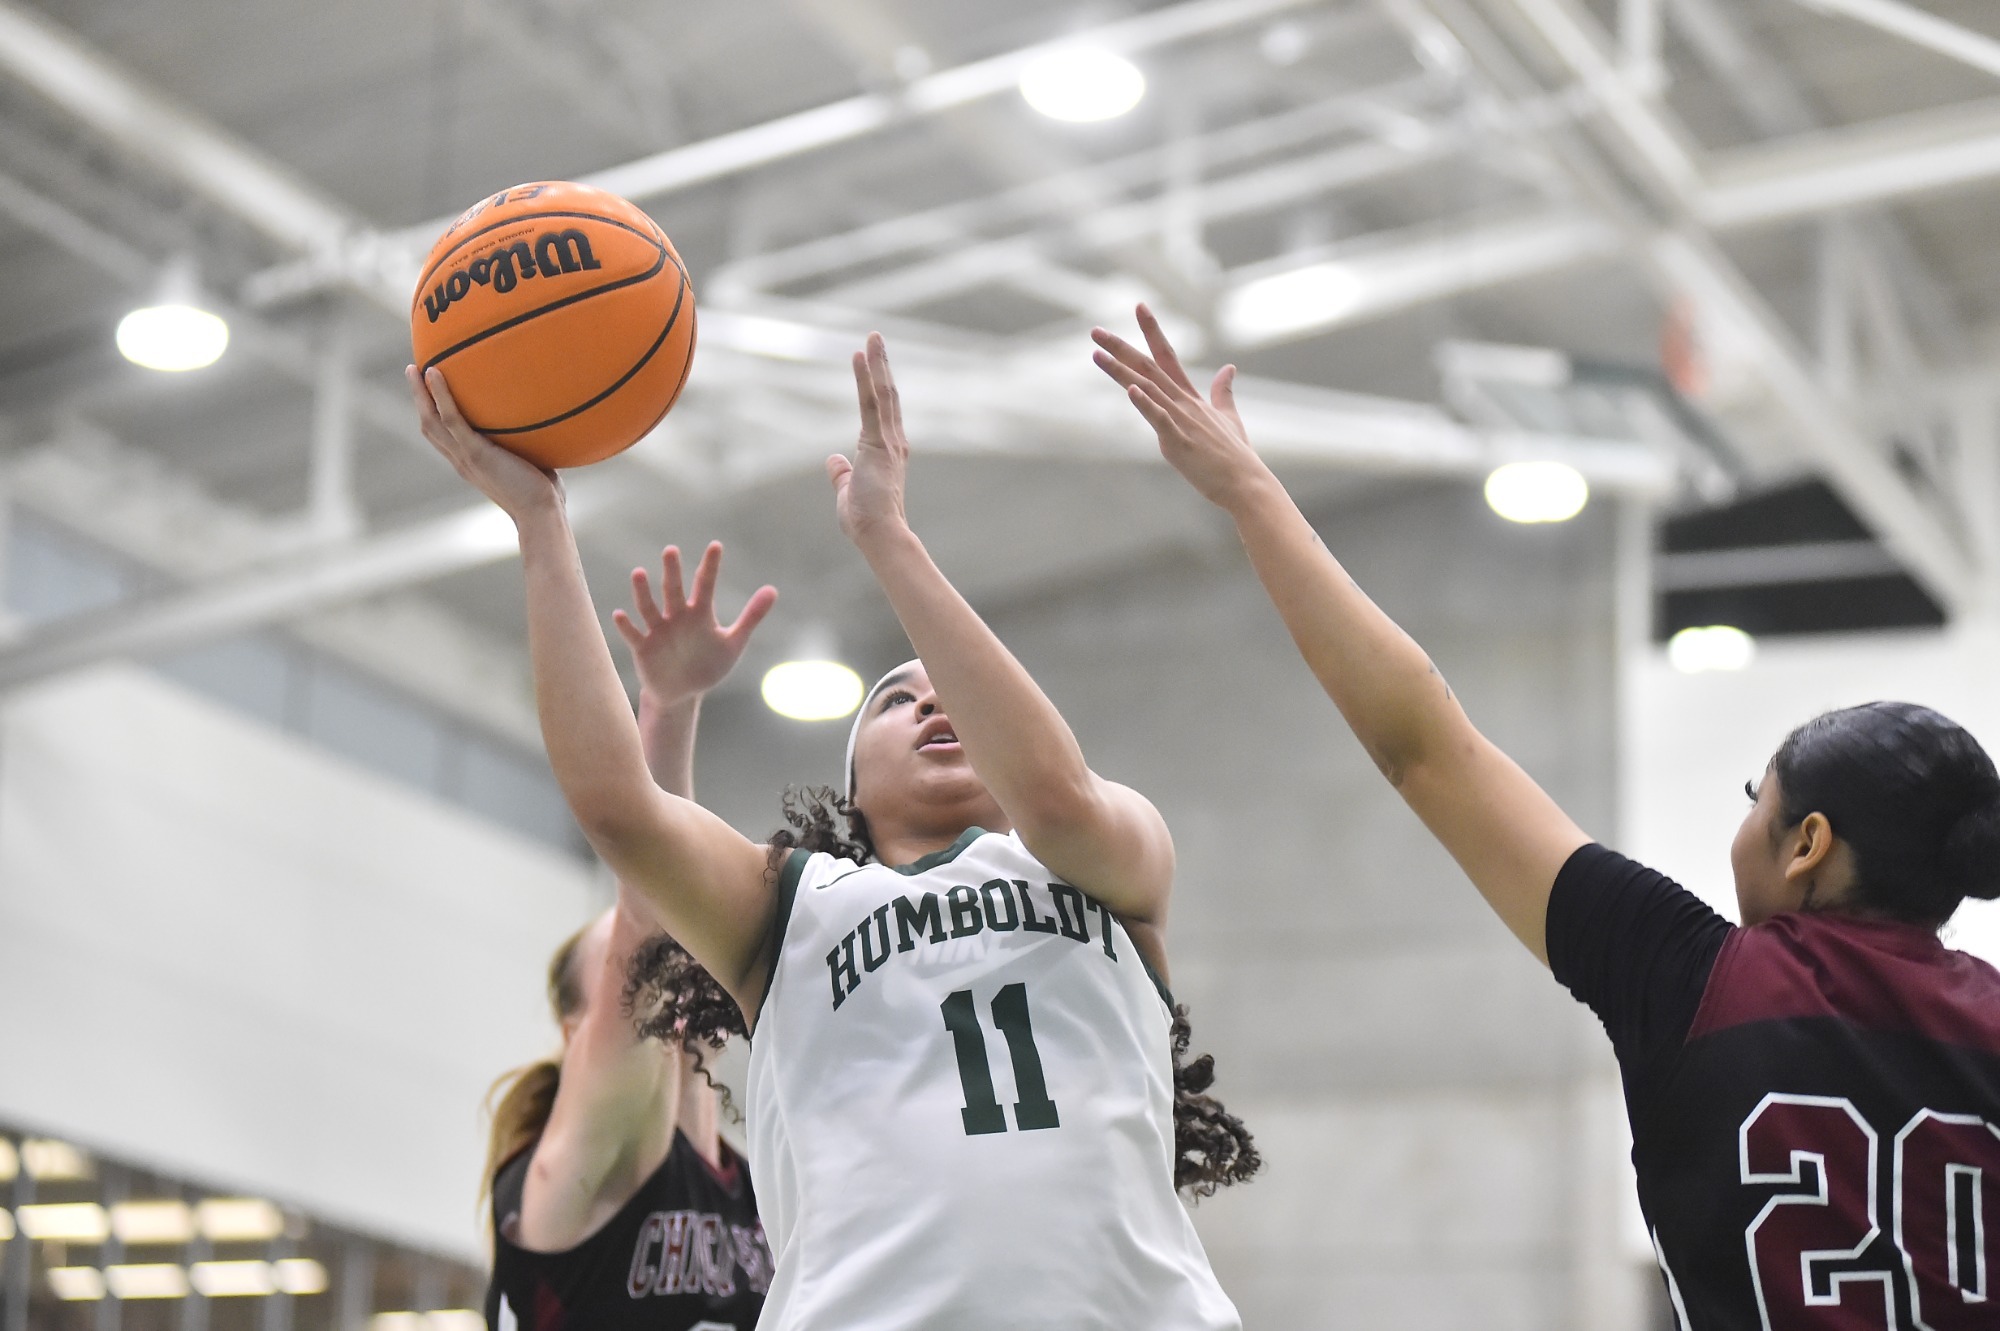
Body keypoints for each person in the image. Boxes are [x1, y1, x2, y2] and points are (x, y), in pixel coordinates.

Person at [1093, 304, 2000, 1330]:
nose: (1742, 826)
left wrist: (1249, 490)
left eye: (1757, 802)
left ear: (1807, 845)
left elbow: (1423, 746)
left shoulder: (1690, 976)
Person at [410, 335, 1256, 1331]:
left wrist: (886, 536)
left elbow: (1056, 794)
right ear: (853, 787)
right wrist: (540, 522)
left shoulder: (1109, 856)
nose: (932, 700)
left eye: (953, 690)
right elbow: (616, 804)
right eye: (896, 699)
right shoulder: (795, 905)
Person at [483, 542, 778, 1331]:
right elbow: (653, 907)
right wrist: (668, 708)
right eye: (617, 955)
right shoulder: (583, 1165)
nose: (677, 955)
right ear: (577, 1032)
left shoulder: (764, 1196)